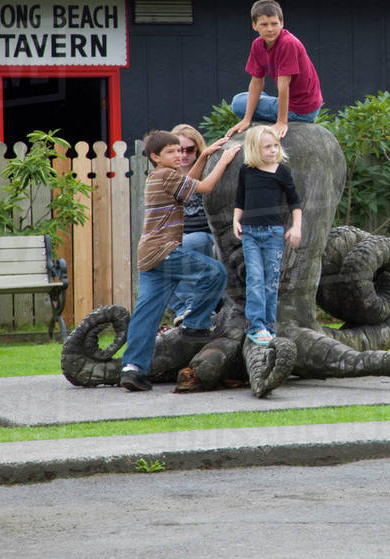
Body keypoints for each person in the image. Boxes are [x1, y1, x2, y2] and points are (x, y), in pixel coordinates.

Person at [120, 131, 242, 392]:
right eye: (171, 152)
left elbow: (187, 183)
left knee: (147, 313)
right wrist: (224, 160)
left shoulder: (159, 176)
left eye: (180, 150)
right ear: (155, 157)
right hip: (164, 251)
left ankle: (133, 369)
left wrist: (206, 155)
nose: (178, 155)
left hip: (148, 254)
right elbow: (205, 187)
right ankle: (195, 324)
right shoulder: (165, 175)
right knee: (215, 272)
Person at [233, 125, 302, 346]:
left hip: (274, 234)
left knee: (270, 282)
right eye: (267, 147)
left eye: (275, 145)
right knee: (254, 279)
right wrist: (236, 220)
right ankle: (256, 326)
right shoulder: (247, 170)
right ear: (254, 148)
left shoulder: (282, 172)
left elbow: (295, 202)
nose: (273, 150)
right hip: (250, 234)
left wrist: (296, 227)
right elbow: (240, 199)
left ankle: (269, 326)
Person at [225, 0, 323, 142]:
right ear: (254, 25)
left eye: (274, 24)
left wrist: (281, 122)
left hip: (302, 109)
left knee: (238, 104)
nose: (270, 29)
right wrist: (247, 119)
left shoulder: (288, 44)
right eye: (264, 24)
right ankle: (262, 107)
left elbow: (283, 85)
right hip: (289, 101)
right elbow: (256, 82)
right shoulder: (257, 45)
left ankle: (278, 113)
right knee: (241, 98)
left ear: (282, 23)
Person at [165, 124, 223, 326]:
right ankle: (183, 312)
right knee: (153, 259)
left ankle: (191, 306)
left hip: (203, 234)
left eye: (189, 149)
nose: (184, 154)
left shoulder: (209, 171)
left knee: (185, 244)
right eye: (178, 149)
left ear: (198, 149)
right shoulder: (166, 175)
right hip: (177, 237)